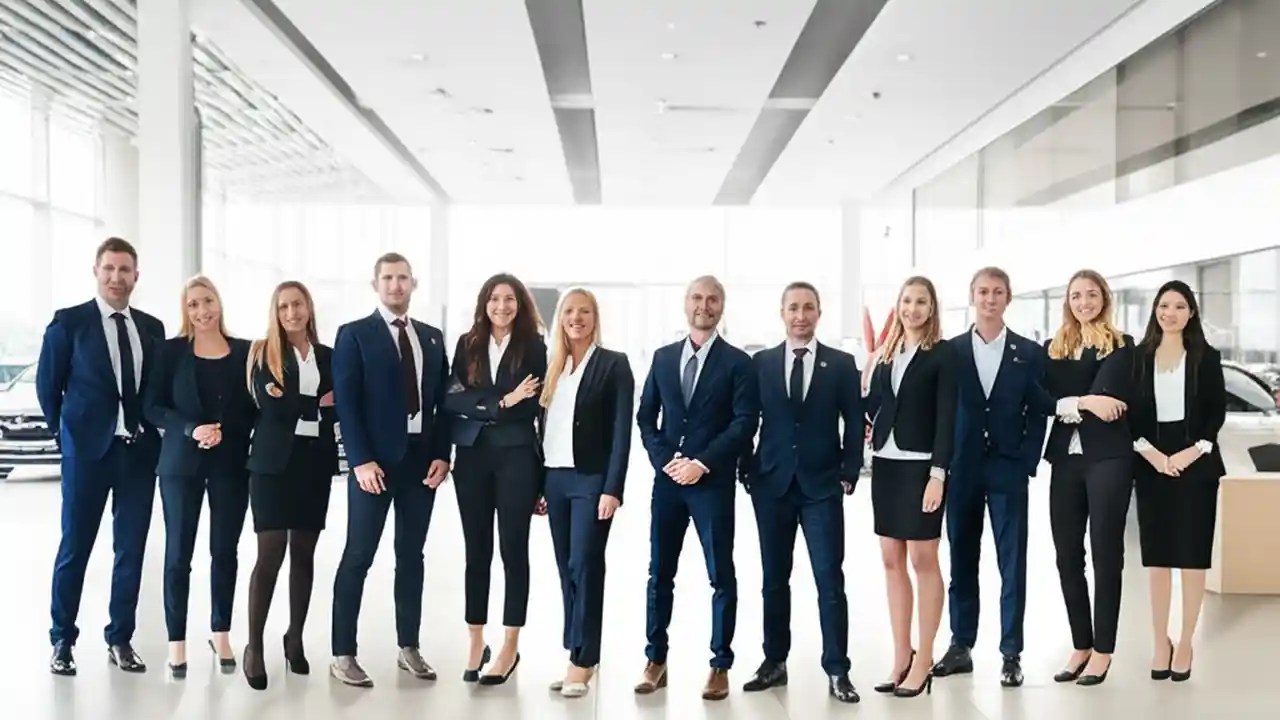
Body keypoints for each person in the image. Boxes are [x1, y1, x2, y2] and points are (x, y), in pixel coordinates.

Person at [36, 237, 165, 675]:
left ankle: (120, 638)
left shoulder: (151, 327)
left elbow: (155, 389)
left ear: (136, 275)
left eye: (124, 269)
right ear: (96, 271)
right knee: (76, 547)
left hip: (138, 455)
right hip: (87, 456)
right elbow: (47, 388)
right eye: (109, 269)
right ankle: (61, 640)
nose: (116, 277)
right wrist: (67, 435)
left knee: (130, 550)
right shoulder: (69, 323)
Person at [329, 252, 452, 688]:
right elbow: (347, 402)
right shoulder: (354, 335)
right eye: (388, 278)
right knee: (358, 556)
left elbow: (442, 404)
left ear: (413, 283)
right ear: (375, 284)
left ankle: (409, 647)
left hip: (421, 462)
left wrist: (443, 453)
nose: (396, 285)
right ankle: (343, 652)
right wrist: (360, 460)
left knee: (411, 557)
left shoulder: (433, 338)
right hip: (374, 464)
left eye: (403, 278)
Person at [634, 275, 757, 701]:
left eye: (712, 299)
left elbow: (744, 423)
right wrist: (668, 462)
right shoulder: (663, 358)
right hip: (668, 482)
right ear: (685, 304)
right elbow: (646, 417)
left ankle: (720, 664)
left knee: (721, 575)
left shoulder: (738, 363)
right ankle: (655, 659)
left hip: (712, 483)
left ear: (722, 306)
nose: (704, 305)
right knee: (658, 574)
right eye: (697, 298)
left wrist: (702, 464)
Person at [738, 282, 862, 703]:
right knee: (774, 580)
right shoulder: (761, 364)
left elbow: (854, 420)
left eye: (808, 307)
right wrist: (747, 468)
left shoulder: (842, 364)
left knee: (830, 580)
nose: (801, 315)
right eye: (794, 307)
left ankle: (838, 669)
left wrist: (848, 470)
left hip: (822, 487)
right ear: (782, 312)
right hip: (771, 486)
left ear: (819, 312)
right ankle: (774, 662)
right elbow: (746, 420)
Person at [934, 267, 1050, 689]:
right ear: (971, 296)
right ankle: (961, 644)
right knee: (962, 559)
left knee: (1011, 562)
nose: (990, 299)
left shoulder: (1029, 352)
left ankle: (1011, 652)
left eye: (997, 292)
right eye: (983, 291)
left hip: (1007, 468)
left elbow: (1039, 410)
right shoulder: (949, 351)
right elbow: (940, 411)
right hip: (962, 467)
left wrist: (1027, 460)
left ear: (1008, 298)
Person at [143, 275, 253, 677]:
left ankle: (220, 632)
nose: (202, 310)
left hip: (230, 465)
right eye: (193, 305)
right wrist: (192, 429)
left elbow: (254, 408)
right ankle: (177, 641)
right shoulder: (169, 352)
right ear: (184, 310)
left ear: (219, 303)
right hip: (179, 466)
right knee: (178, 556)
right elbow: (152, 407)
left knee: (225, 552)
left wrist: (226, 430)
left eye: (207, 301)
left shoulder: (245, 351)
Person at [444, 273, 548, 685]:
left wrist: (483, 404)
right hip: (471, 458)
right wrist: (503, 400)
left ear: (520, 304)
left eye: (509, 299)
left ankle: (509, 644)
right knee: (476, 551)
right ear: (484, 303)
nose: (501, 306)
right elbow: (450, 398)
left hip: (517, 458)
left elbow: (532, 407)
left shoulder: (535, 346)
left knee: (512, 550)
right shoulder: (467, 344)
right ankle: (475, 638)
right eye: (494, 298)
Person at [241, 281, 339, 691]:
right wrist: (317, 403)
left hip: (314, 464)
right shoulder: (263, 352)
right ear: (276, 312)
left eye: (297, 304)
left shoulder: (331, 356)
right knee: (270, 554)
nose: (292, 313)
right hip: (271, 466)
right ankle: (254, 646)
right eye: (283, 306)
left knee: (304, 552)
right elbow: (274, 406)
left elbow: (343, 406)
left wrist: (304, 404)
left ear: (309, 308)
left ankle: (294, 637)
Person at [539, 289, 634, 699]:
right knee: (566, 569)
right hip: (554, 480)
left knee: (585, 564)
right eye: (570, 312)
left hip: (591, 481)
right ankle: (575, 651)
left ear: (595, 319)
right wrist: (538, 486)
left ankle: (584, 659)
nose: (576, 318)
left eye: (585, 312)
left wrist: (613, 488)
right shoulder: (553, 367)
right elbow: (543, 430)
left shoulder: (614, 365)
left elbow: (620, 433)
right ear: (560, 318)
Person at [862, 275, 954, 699]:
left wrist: (938, 474)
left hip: (921, 468)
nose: (912, 309)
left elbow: (947, 420)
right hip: (886, 463)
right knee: (890, 558)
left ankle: (925, 658)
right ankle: (901, 655)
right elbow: (875, 409)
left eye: (921, 302)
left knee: (923, 557)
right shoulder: (886, 354)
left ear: (932, 308)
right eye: (906, 301)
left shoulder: (943, 355)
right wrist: (866, 373)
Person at [1041, 269, 1134, 686]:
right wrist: (1085, 400)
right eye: (1076, 296)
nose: (1084, 302)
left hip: (1109, 459)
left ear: (1104, 298)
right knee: (1066, 556)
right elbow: (1042, 400)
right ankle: (1081, 643)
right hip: (1066, 459)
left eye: (1091, 295)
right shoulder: (1053, 347)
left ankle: (1104, 650)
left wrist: (1069, 401)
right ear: (1068, 301)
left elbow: (1111, 395)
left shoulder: (1122, 346)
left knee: (1105, 554)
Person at [1129, 280, 1225, 684]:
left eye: (1180, 306)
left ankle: (1185, 641)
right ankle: (1159, 642)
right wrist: (1150, 452)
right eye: (1164, 305)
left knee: (1191, 556)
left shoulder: (1206, 356)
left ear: (1191, 313)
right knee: (1158, 558)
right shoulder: (1138, 357)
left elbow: (1215, 412)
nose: (1170, 312)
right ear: (1155, 310)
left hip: (1196, 460)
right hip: (1150, 459)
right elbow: (1130, 411)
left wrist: (1192, 451)